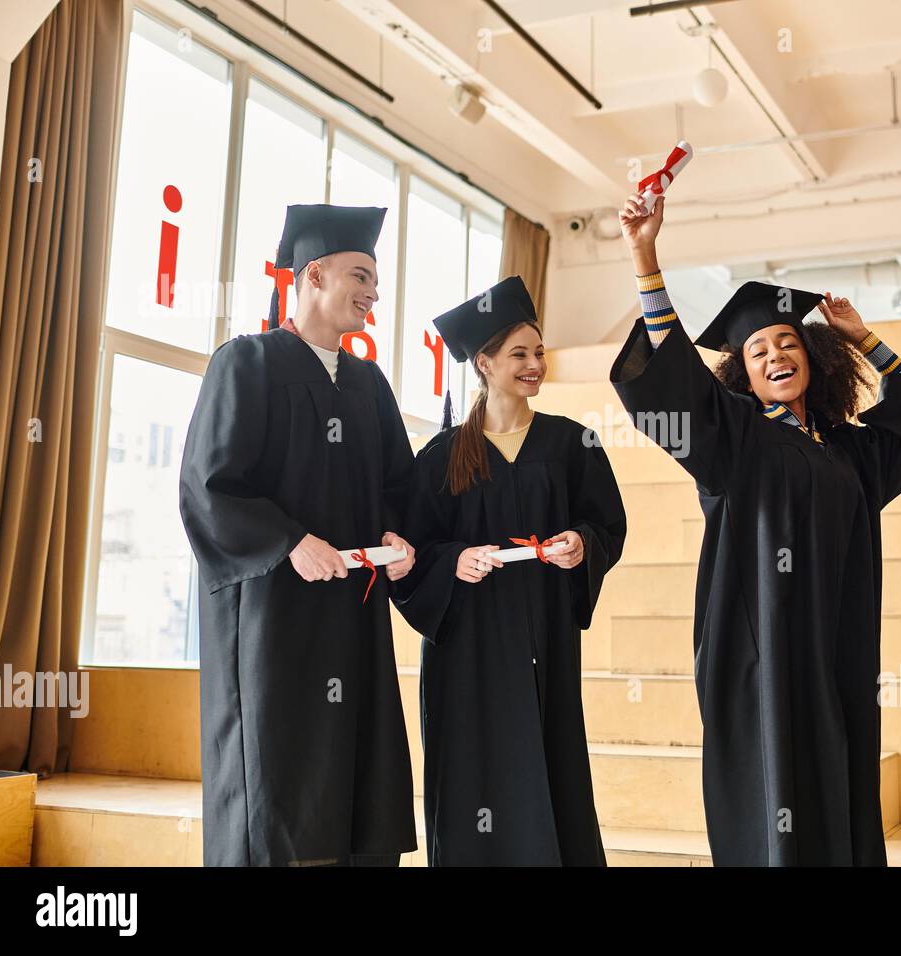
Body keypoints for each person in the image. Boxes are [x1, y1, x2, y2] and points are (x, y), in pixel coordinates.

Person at [610, 193, 901, 865]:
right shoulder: (733, 441)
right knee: (776, 804)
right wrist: (645, 256)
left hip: (834, 654)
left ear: (813, 357)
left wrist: (865, 339)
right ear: (743, 374)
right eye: (757, 350)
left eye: (788, 342)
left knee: (837, 793)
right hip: (759, 659)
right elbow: (674, 385)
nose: (774, 356)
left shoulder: (849, 450)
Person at [179, 204, 418, 866]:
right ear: (313, 273)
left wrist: (400, 538)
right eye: (361, 276)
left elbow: (401, 488)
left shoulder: (369, 386)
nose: (374, 294)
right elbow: (209, 485)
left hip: (353, 612)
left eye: (375, 281)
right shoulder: (247, 364)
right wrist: (288, 541)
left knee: (357, 785)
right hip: (273, 622)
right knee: (275, 786)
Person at [392, 275, 626, 865]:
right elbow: (410, 552)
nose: (534, 364)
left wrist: (582, 544)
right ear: (485, 362)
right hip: (467, 644)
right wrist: (454, 560)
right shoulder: (443, 456)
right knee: (474, 763)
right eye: (519, 353)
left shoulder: (576, 444)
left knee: (551, 762)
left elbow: (608, 527)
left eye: (539, 352)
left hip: (544, 634)